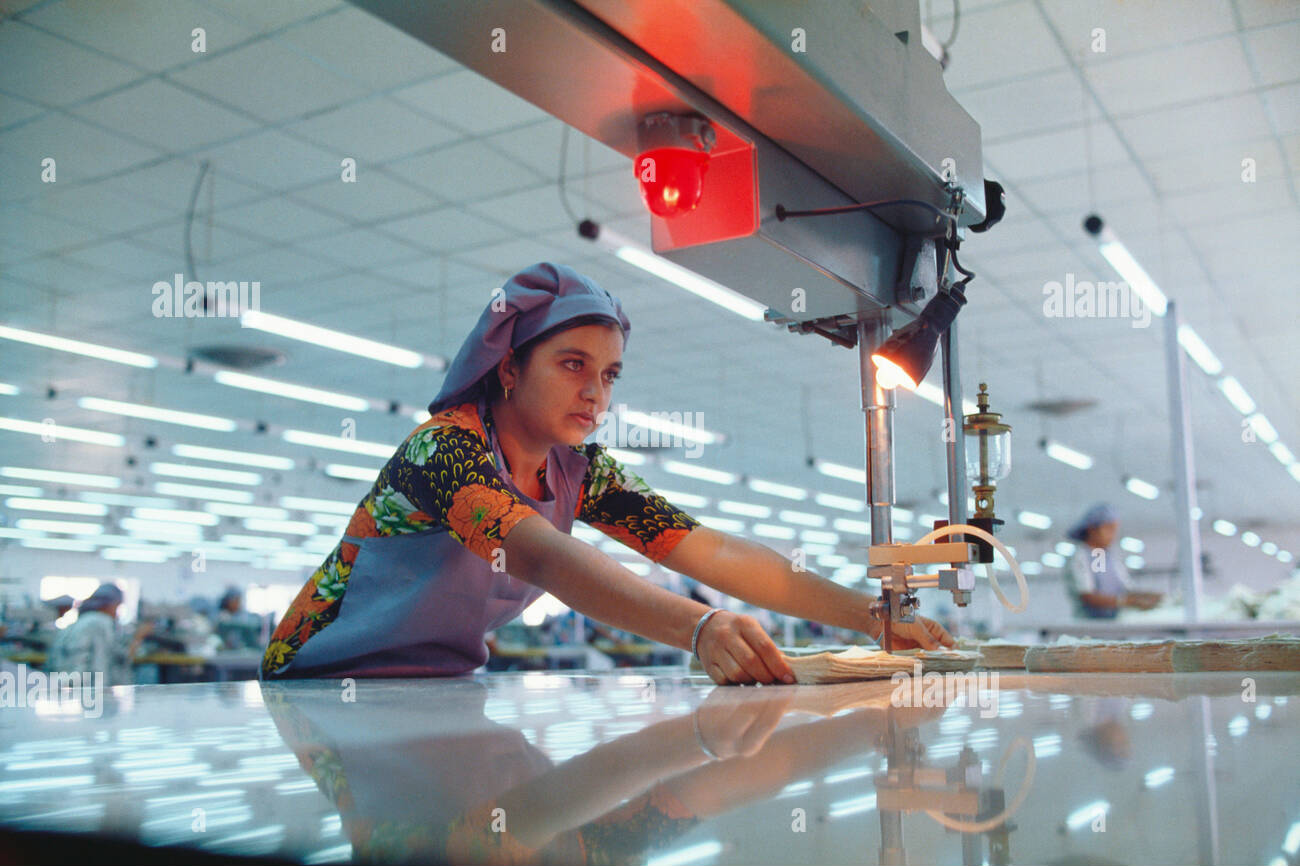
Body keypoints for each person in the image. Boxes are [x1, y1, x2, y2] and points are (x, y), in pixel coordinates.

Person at [261, 262, 953, 685]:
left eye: (610, 374)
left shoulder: (579, 470)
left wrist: (870, 618)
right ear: (508, 368)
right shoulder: (441, 452)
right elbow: (545, 557)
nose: (597, 393)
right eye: (573, 365)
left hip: (433, 684)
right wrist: (699, 628)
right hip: (320, 683)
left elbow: (709, 549)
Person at [1064, 503, 1161, 619]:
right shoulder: (1080, 557)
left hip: (1113, 624)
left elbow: (1126, 589)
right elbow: (1087, 597)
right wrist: (1127, 602)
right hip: (1089, 626)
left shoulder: (1108, 557)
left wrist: (1148, 596)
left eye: (1115, 530)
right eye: (1109, 529)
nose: (1113, 535)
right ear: (1092, 529)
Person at [46, 583, 154, 685]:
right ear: (108, 604)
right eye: (116, 606)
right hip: (89, 691)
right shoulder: (101, 623)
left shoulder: (81, 621)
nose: (117, 612)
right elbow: (103, 662)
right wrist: (138, 637)